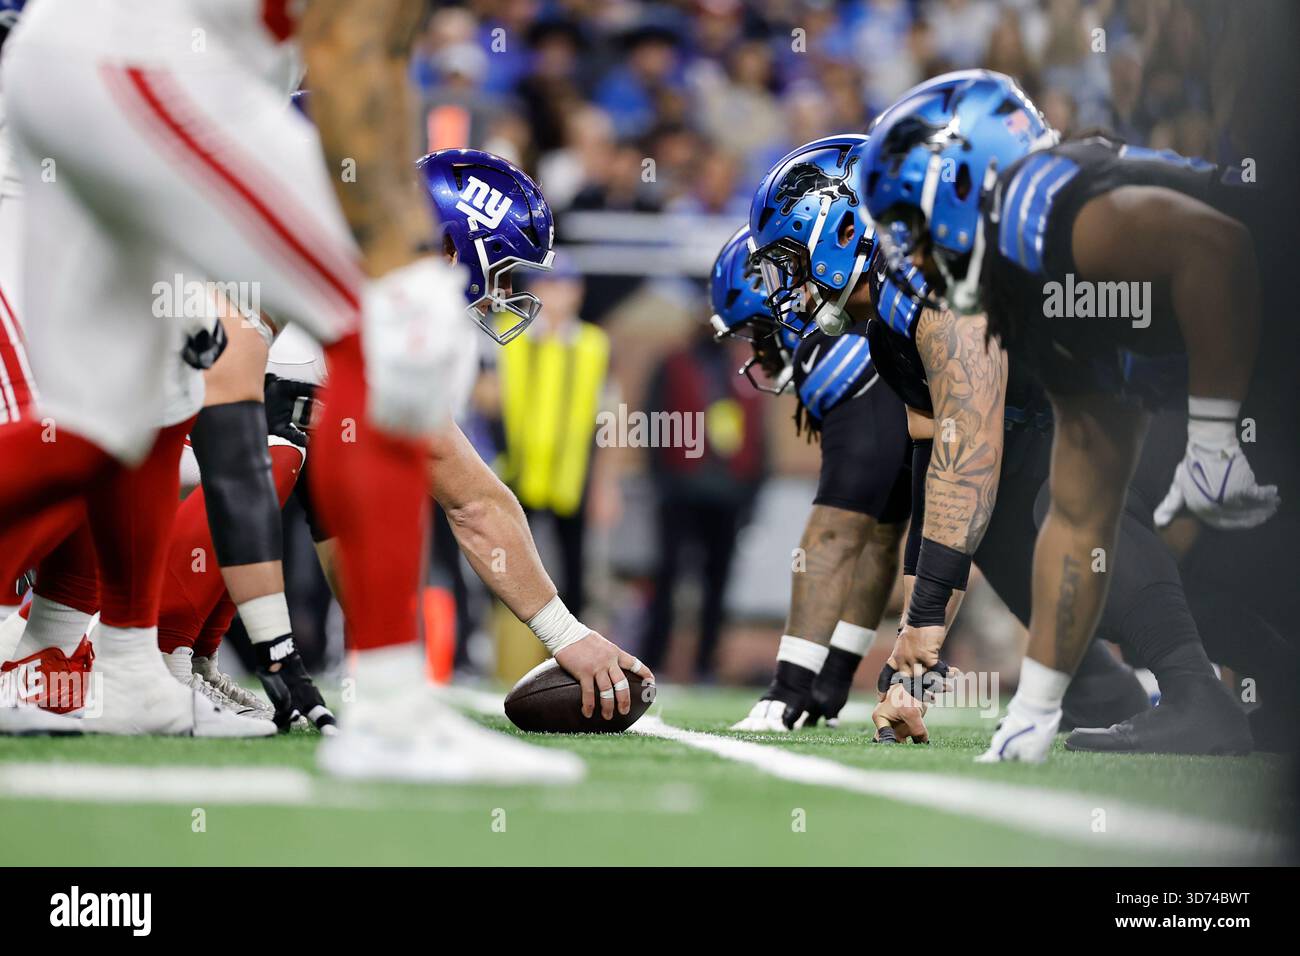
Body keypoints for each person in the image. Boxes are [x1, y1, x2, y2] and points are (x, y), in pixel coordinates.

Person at [748, 128, 1245, 752]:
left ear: (842, 231)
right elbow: (940, 478)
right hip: (1162, 397)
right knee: (1012, 511)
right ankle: (1105, 686)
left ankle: (1196, 689)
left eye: (792, 263)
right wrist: (913, 658)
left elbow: (969, 450)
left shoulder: (936, 276)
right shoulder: (893, 325)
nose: (788, 289)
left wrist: (923, 628)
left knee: (1071, 502)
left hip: (1216, 388)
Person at [853, 70, 1274, 760]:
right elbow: (1081, 497)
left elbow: (1218, 248)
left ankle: (1203, 693)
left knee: (1144, 499)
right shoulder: (1024, 282)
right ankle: (1228, 693)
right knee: (1080, 498)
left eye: (914, 225)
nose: (913, 255)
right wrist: (1036, 706)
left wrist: (1214, 438)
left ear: (963, 182)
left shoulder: (1036, 208)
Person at [707, 226, 910, 731]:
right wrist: (833, 678)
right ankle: (828, 683)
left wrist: (791, 689)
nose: (760, 352)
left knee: (836, 530)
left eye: (757, 333)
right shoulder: (885, 318)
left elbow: (833, 534)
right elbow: (880, 537)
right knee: (883, 529)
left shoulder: (837, 348)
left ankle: (789, 693)